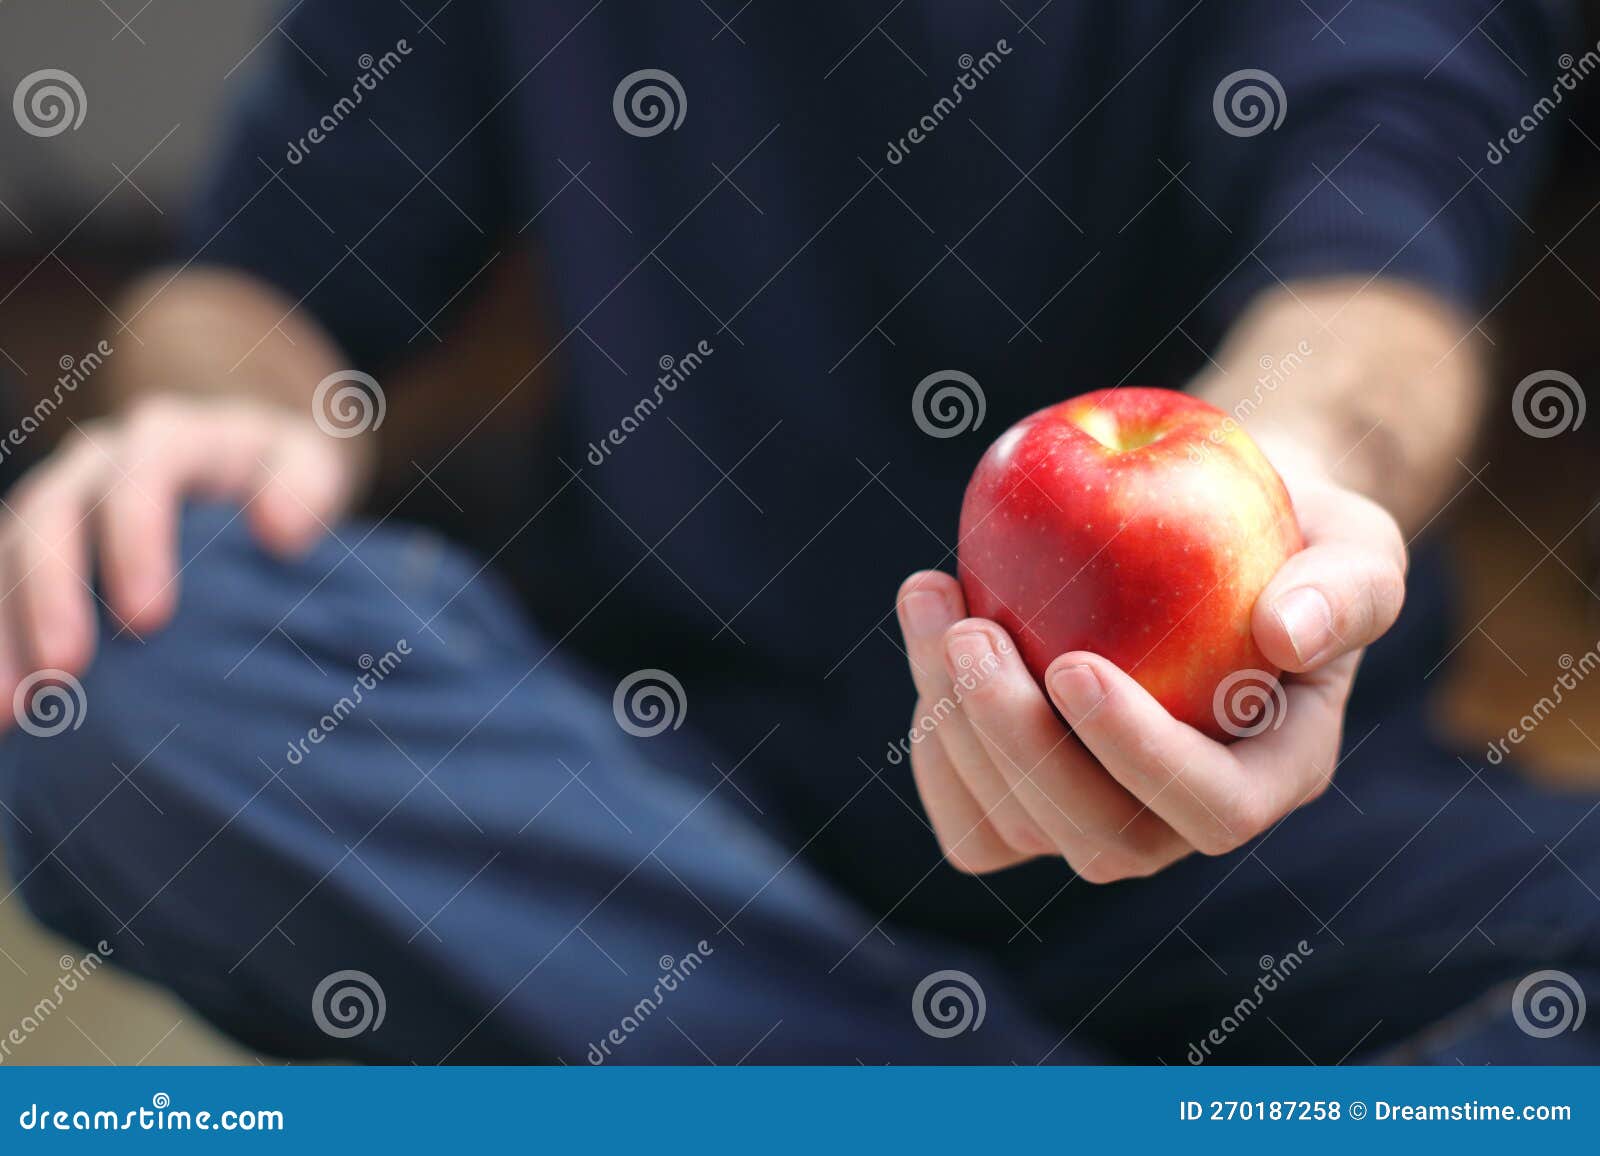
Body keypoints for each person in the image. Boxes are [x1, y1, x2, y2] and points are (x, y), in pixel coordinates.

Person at [1, 1, 1595, 1064]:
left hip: (1234, 842)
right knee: (120, 658)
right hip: (652, 809)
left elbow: (1375, 269)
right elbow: (256, 280)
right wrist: (230, 414)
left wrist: (1289, 474)